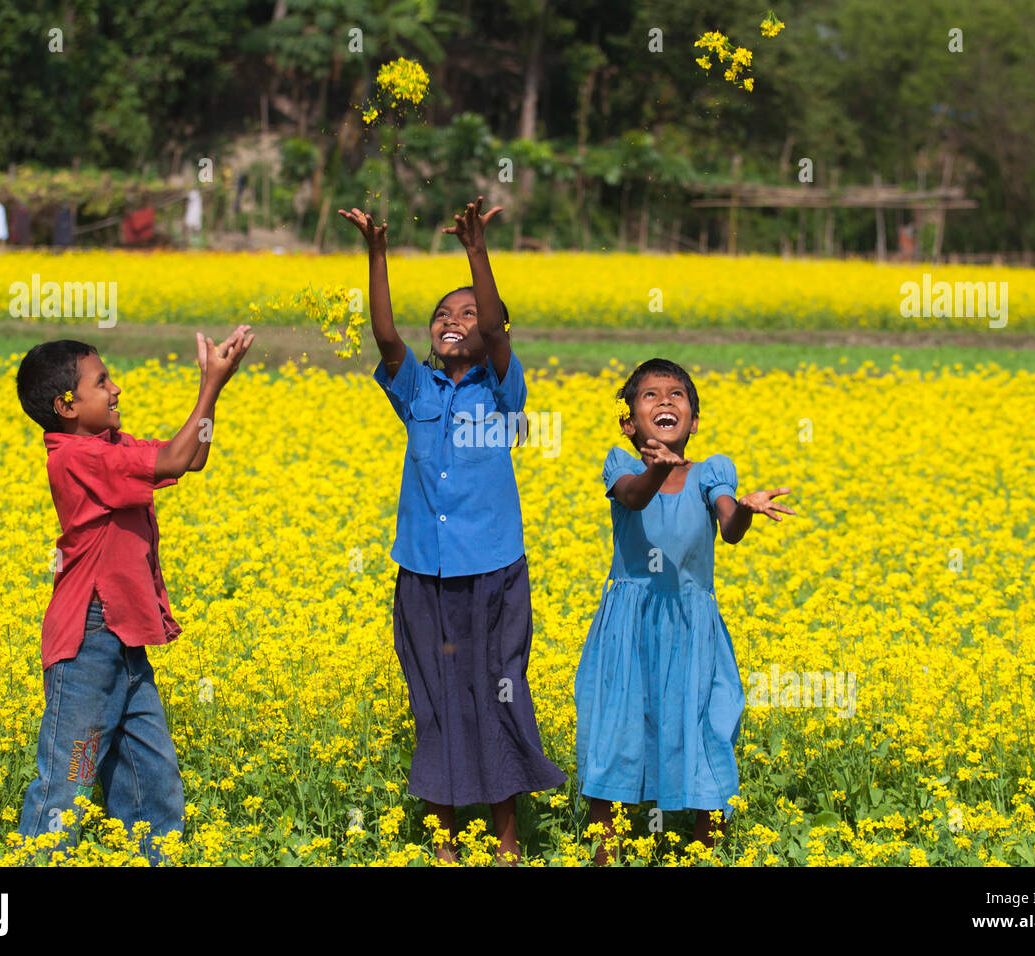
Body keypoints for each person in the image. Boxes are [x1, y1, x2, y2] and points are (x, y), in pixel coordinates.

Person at [340, 196, 565, 864]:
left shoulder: (501, 390)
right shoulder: (418, 393)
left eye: (467, 314)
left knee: (497, 696)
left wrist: (476, 253)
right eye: (443, 313)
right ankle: (442, 845)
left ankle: (505, 843)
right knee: (435, 701)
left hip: (493, 571)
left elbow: (496, 331)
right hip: (424, 574)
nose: (453, 322)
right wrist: (377, 255)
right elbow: (385, 338)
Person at [14, 325, 253, 863]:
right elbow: (172, 462)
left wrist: (217, 390)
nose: (116, 389)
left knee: (153, 782)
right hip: (87, 642)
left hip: (125, 636)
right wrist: (210, 387)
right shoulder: (77, 457)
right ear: (67, 405)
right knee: (69, 783)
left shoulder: (108, 446)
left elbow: (190, 457)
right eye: (103, 382)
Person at [574, 358, 796, 864]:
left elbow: (729, 526)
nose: (666, 401)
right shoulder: (623, 465)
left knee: (708, 728)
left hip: (692, 625)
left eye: (677, 395)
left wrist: (745, 508)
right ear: (629, 423)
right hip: (629, 626)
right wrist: (656, 469)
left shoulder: (711, 471)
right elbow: (632, 498)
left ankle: (705, 852)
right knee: (618, 726)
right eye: (650, 395)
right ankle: (605, 853)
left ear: (694, 420)